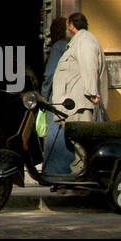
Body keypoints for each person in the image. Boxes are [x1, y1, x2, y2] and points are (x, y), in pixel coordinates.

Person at [49, 11, 109, 175]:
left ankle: (82, 175)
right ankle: (80, 174)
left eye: (67, 25)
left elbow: (89, 64)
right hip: (75, 104)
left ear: (71, 26)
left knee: (83, 143)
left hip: (81, 104)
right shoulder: (79, 41)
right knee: (79, 143)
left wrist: (91, 91)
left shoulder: (84, 41)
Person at [40, 16, 72, 174]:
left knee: (54, 133)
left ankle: (54, 171)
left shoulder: (58, 47)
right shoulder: (71, 45)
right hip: (70, 97)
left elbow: (49, 75)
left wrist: (43, 96)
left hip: (57, 97)